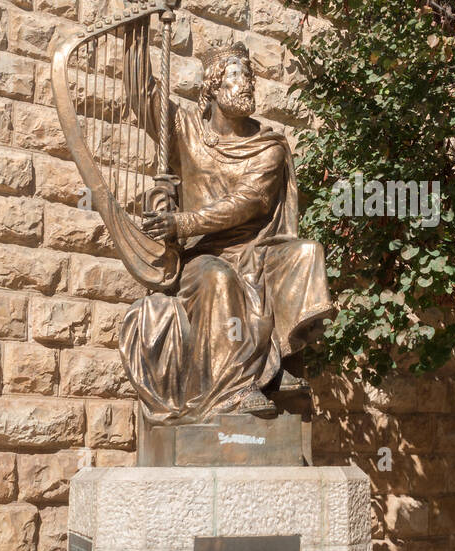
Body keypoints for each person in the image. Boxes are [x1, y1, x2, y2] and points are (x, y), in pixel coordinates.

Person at [119, 42, 334, 421]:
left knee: (306, 253)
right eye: (236, 77)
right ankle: (235, 391)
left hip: (258, 250)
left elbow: (250, 201)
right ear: (213, 88)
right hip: (202, 257)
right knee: (218, 277)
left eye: (249, 77)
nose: (246, 84)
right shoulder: (185, 130)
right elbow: (141, 94)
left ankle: (277, 364)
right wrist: (137, 32)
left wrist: (182, 221)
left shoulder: (268, 146)